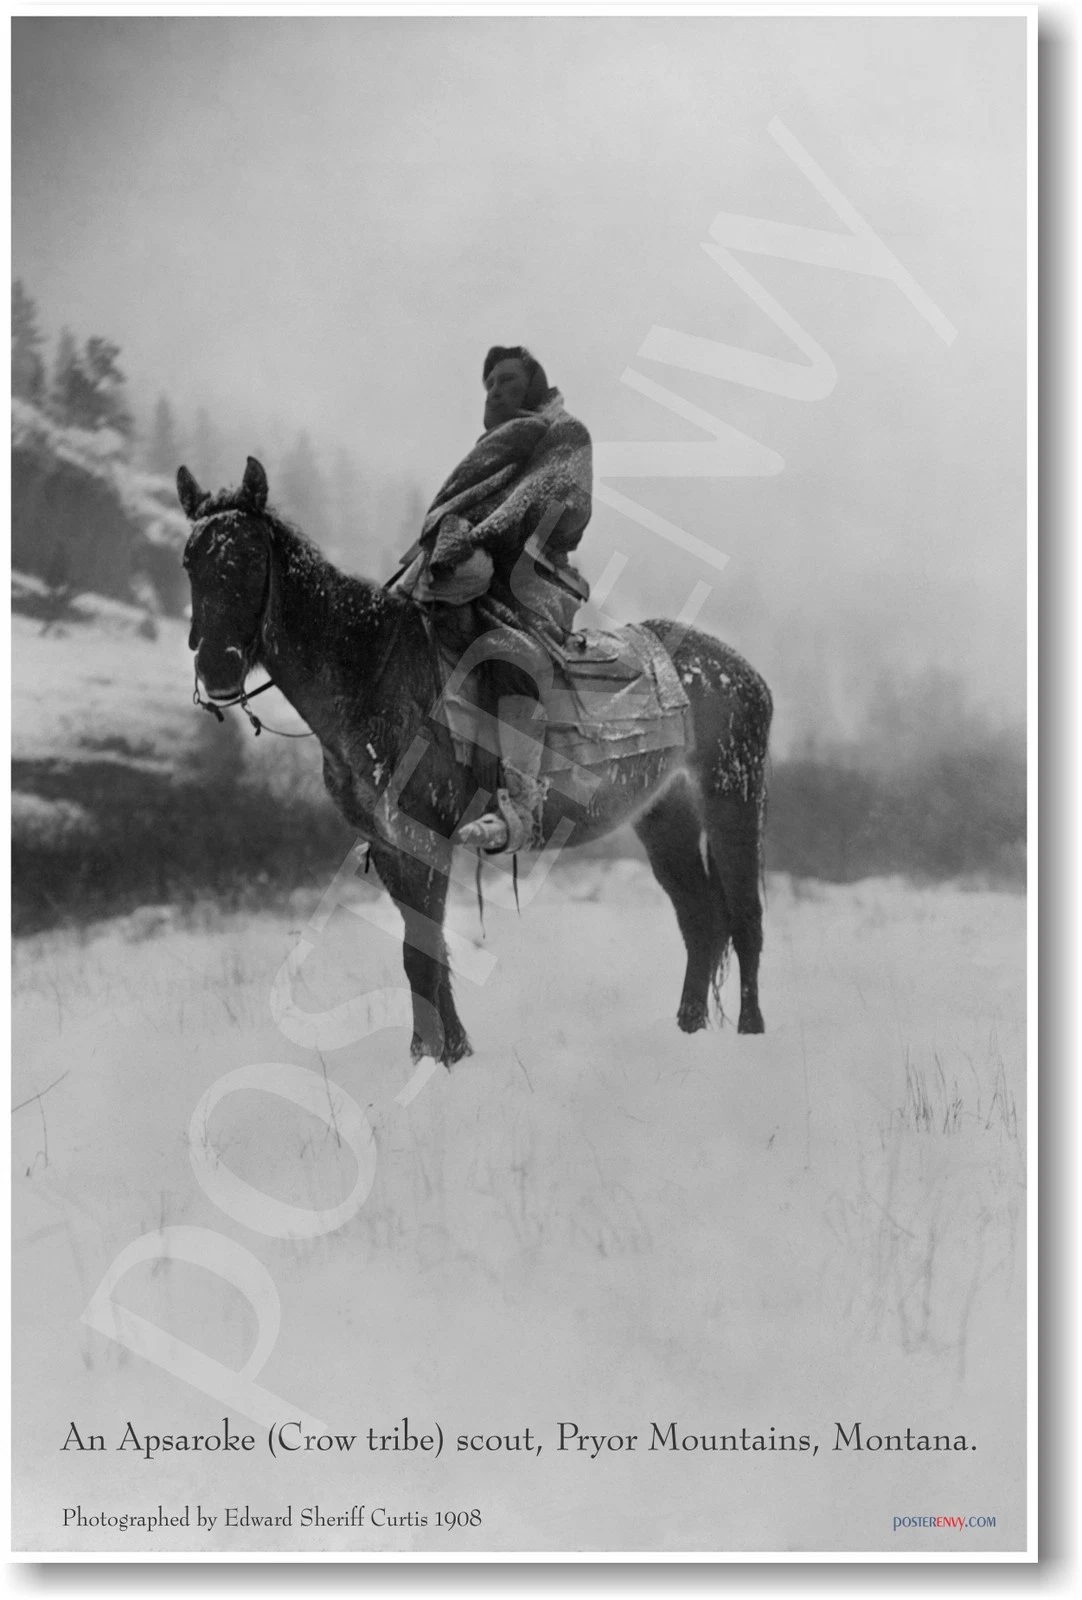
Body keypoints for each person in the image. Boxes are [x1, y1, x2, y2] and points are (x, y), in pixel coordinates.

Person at [397, 346, 592, 853]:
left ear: (533, 382)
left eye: (507, 379)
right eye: (489, 385)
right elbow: (461, 504)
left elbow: (555, 503)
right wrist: (451, 538)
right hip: (478, 573)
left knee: (511, 655)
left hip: (534, 578)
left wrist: (482, 534)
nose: (496, 390)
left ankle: (521, 807)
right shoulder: (493, 448)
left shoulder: (565, 433)